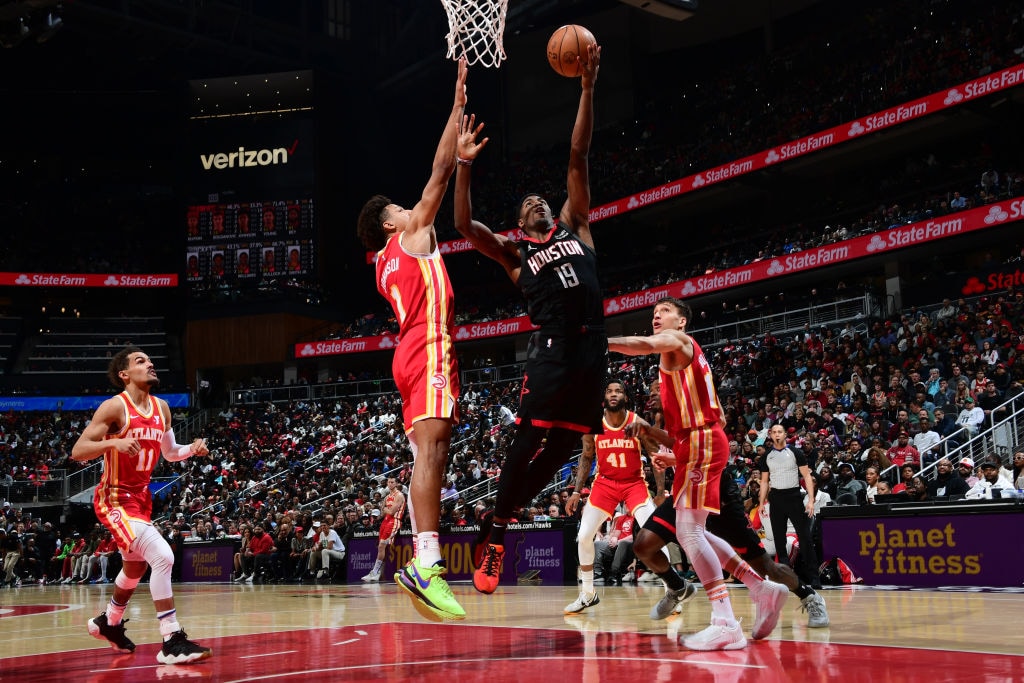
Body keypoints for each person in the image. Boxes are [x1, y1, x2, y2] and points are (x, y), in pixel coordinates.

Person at [453, 45, 607, 599]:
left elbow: (578, 154)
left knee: (566, 449)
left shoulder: (579, 228)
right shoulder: (517, 257)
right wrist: (464, 163)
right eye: (530, 203)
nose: (540, 201)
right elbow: (465, 224)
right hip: (551, 350)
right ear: (520, 223)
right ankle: (496, 523)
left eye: (545, 199)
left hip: (593, 351)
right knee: (530, 439)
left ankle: (504, 516)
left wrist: (587, 88)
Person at [354, 57, 470, 622]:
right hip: (429, 345)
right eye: (399, 208)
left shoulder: (381, 267)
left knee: (433, 449)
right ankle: (426, 563)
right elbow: (440, 173)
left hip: (407, 352)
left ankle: (424, 559)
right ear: (387, 223)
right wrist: (454, 110)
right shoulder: (411, 234)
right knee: (434, 450)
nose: (410, 207)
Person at [606, 297, 748, 651]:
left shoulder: (678, 341)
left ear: (682, 322)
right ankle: (753, 587)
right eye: (654, 313)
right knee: (692, 531)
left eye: (665, 312)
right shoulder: (681, 358)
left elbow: (647, 345)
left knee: (688, 531)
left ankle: (726, 622)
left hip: (702, 441)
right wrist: (675, 454)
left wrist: (601, 341)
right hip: (695, 443)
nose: (657, 316)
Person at [71, 346, 212, 664]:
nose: (149, 364)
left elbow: (171, 452)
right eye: (140, 361)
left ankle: (109, 621)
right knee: (163, 556)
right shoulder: (113, 408)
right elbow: (79, 450)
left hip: (140, 501)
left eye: (149, 360)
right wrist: (113, 441)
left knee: (134, 568)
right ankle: (171, 640)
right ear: (124, 374)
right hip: (114, 499)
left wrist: (193, 447)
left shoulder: (162, 408)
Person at [562, 379, 662, 614]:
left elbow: (656, 455)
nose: (614, 394)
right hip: (604, 483)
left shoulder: (637, 423)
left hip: (633, 483)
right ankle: (588, 593)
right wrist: (577, 491)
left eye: (618, 391)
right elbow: (586, 457)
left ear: (625, 397)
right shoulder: (592, 424)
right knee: (584, 536)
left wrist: (659, 493)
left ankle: (672, 588)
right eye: (609, 391)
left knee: (654, 532)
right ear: (604, 398)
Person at [758, 424, 822, 590]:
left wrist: (811, 500)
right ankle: (786, 578)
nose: (777, 434)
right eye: (774, 432)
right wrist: (761, 503)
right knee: (779, 540)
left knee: (805, 537)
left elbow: (807, 476)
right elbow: (764, 481)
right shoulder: (767, 456)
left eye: (780, 431)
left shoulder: (795, 452)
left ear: (785, 434)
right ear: (770, 435)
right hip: (776, 498)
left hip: (793, 496)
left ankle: (814, 577)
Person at [362, 477, 405, 582]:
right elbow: (382, 511)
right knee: (381, 547)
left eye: (392, 482)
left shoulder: (399, 495)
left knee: (382, 545)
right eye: (389, 482)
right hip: (385, 522)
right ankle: (377, 574)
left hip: (394, 521)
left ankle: (374, 572)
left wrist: (385, 508)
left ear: (396, 483)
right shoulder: (387, 497)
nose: (390, 484)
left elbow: (390, 512)